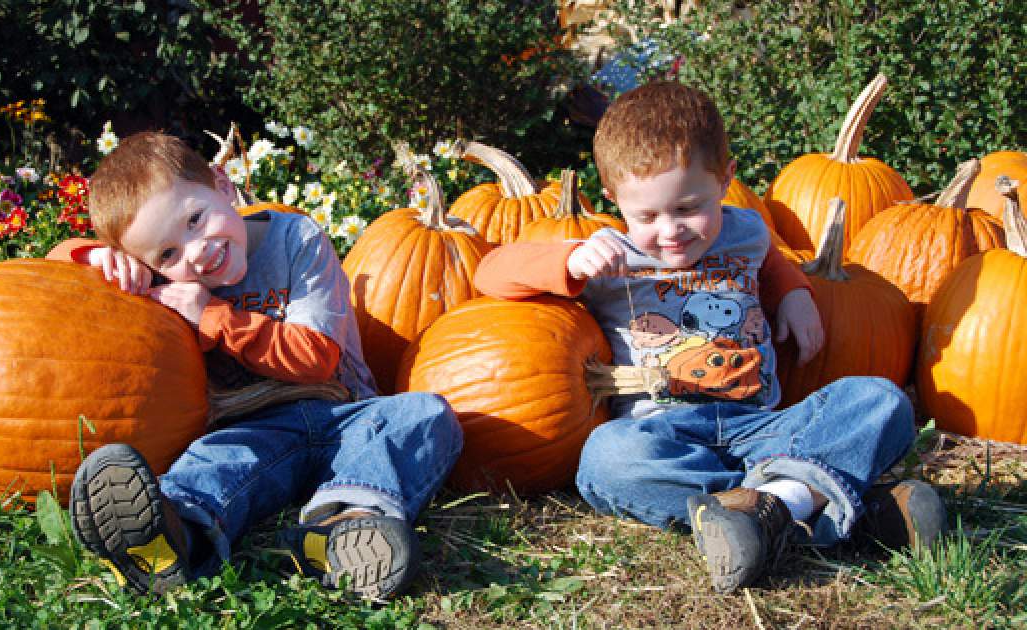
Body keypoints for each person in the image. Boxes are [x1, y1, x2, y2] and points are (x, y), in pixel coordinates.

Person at [473, 81, 946, 593]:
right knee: (607, 460)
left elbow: (769, 261)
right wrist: (564, 261)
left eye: (688, 207)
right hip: (665, 436)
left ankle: (767, 509)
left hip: (763, 428)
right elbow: (490, 273)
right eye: (647, 216)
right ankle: (809, 502)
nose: (670, 230)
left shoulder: (746, 231)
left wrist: (794, 293)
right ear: (614, 198)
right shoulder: (606, 253)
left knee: (880, 399)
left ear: (725, 179)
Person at [46, 131, 462, 599]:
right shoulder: (169, 285)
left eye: (196, 219)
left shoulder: (296, 240)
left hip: (347, 414)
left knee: (425, 415)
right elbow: (58, 276)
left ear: (223, 186)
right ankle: (170, 539)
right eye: (167, 254)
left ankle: (342, 529)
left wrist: (211, 315)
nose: (196, 251)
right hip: (251, 429)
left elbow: (317, 358)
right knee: (212, 465)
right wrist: (94, 257)